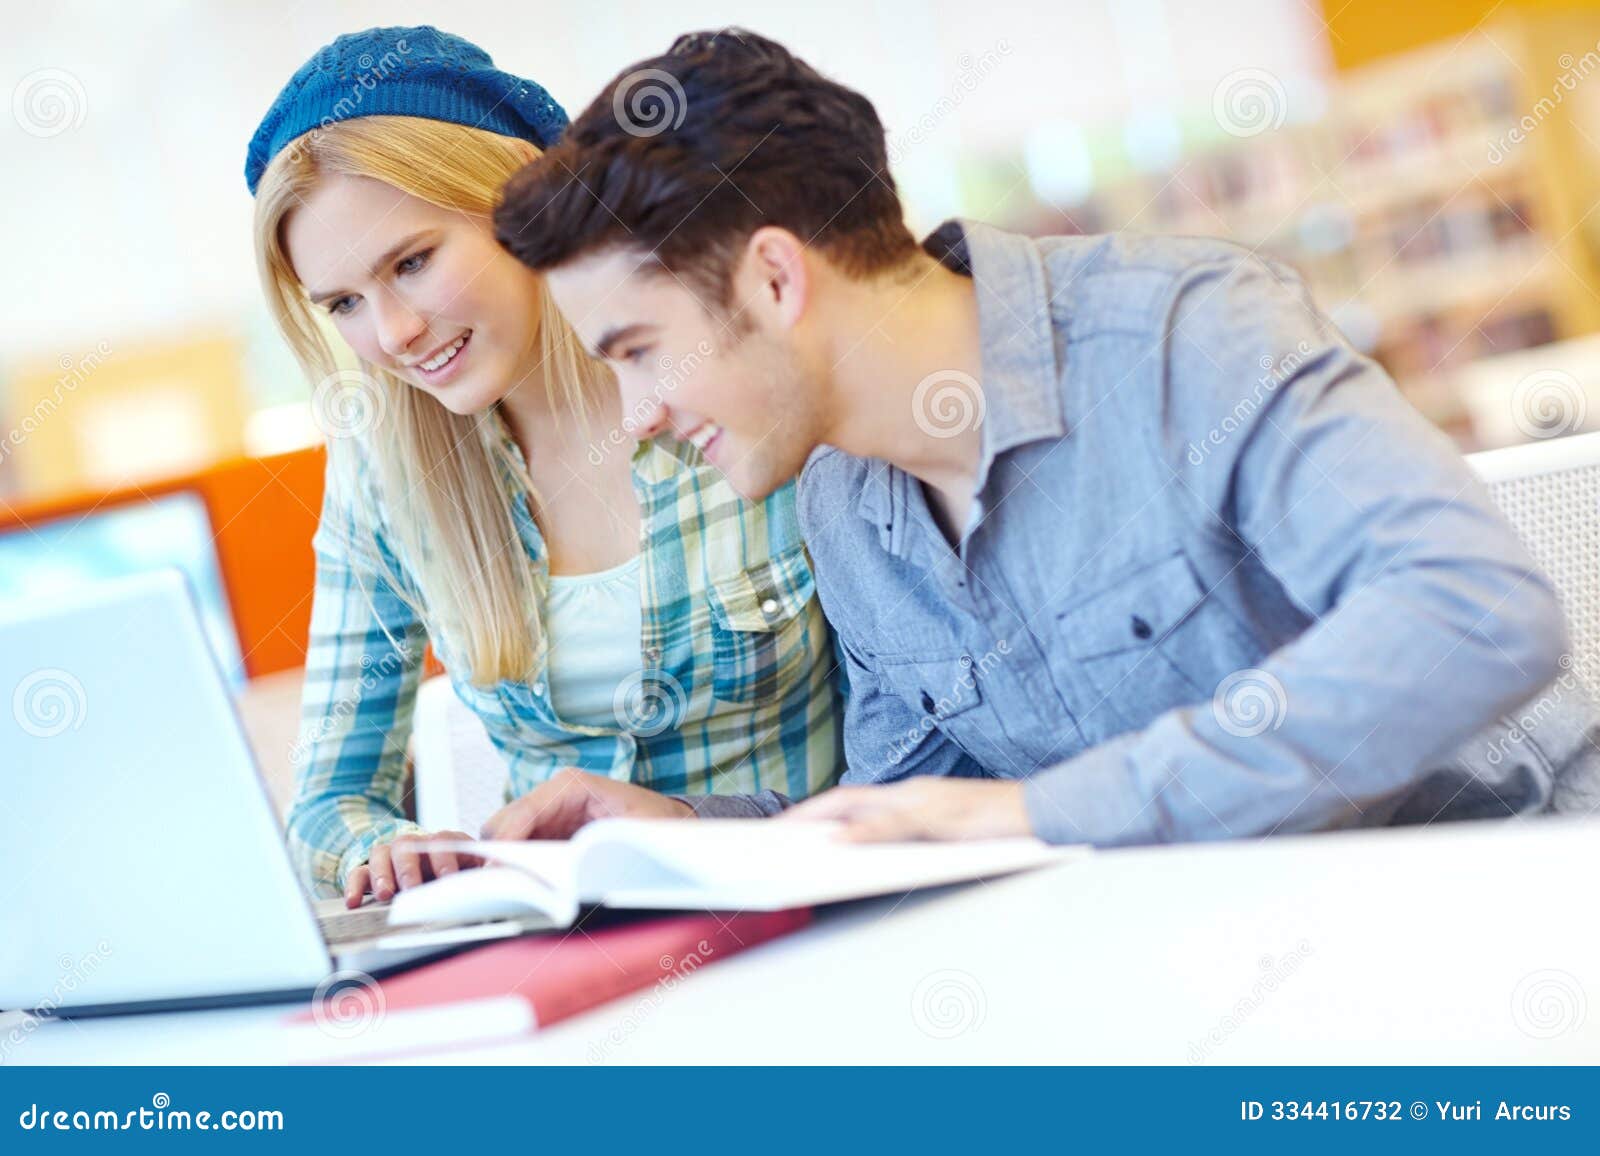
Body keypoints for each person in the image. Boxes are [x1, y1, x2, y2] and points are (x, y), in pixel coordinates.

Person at [487, 28, 1599, 845]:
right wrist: (676, 828)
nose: (636, 419)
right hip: (1220, 955)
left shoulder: (1184, 335)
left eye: (637, 350)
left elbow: (1474, 615)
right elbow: (913, 818)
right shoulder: (842, 507)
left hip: (1500, 891)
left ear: (776, 277)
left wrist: (1037, 811)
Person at [245, 26, 842, 903]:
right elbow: (332, 803)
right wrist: (392, 847)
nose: (394, 333)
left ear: (521, 207)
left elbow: (917, 741)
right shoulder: (383, 474)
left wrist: (701, 824)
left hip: (813, 904)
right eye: (344, 303)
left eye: (412, 262)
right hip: (569, 946)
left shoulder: (721, 373)